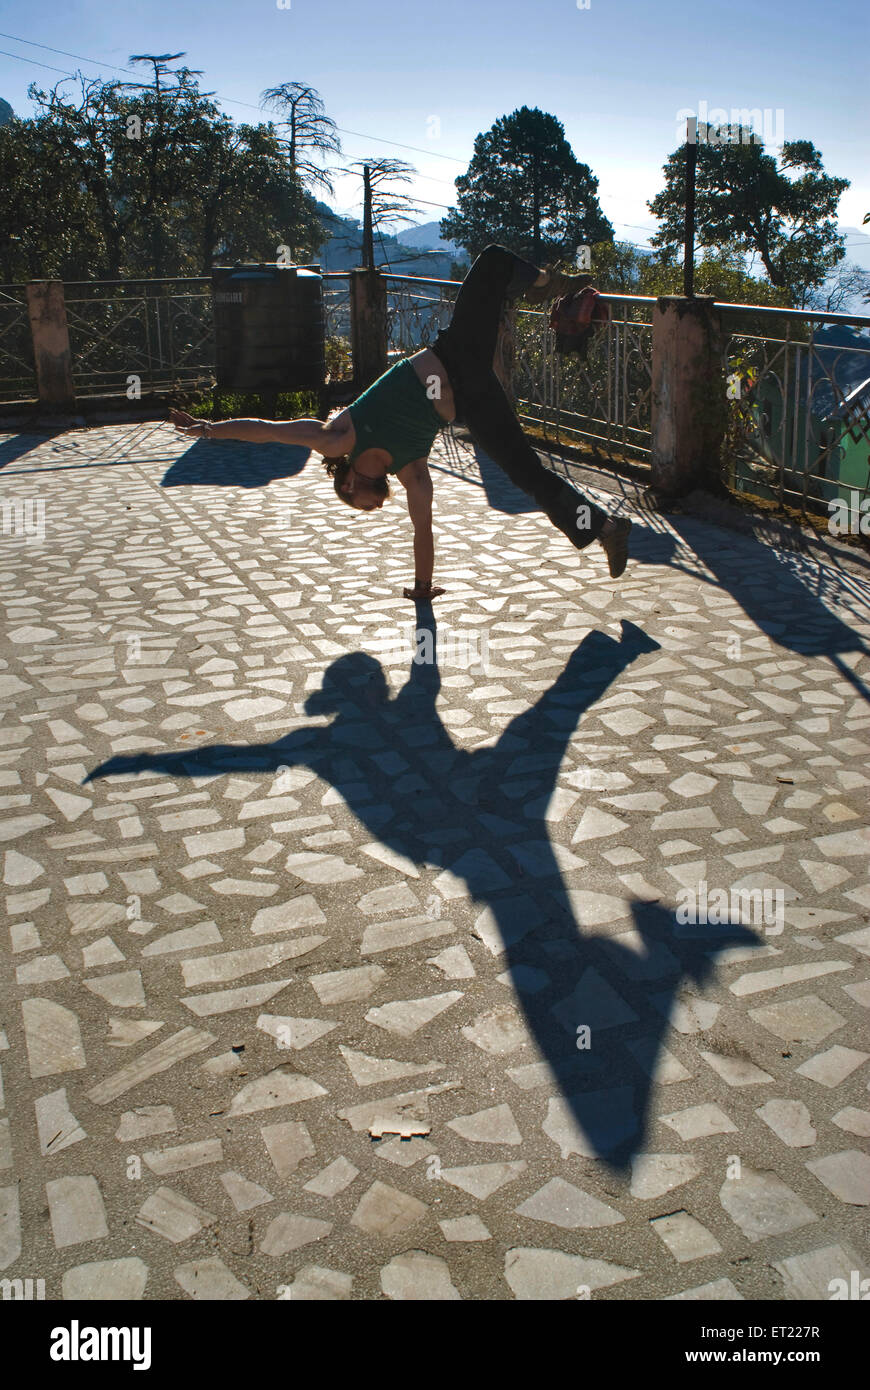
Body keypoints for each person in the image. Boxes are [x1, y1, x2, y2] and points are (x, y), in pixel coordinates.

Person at [170, 244, 631, 601]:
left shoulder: (339, 439)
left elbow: (268, 430)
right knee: (527, 473)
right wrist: (422, 586)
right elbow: (423, 532)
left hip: (456, 352)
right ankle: (607, 530)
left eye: (364, 507)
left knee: (491, 261)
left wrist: (208, 429)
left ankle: (552, 283)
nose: (375, 508)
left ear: (350, 484)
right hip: (474, 398)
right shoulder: (412, 471)